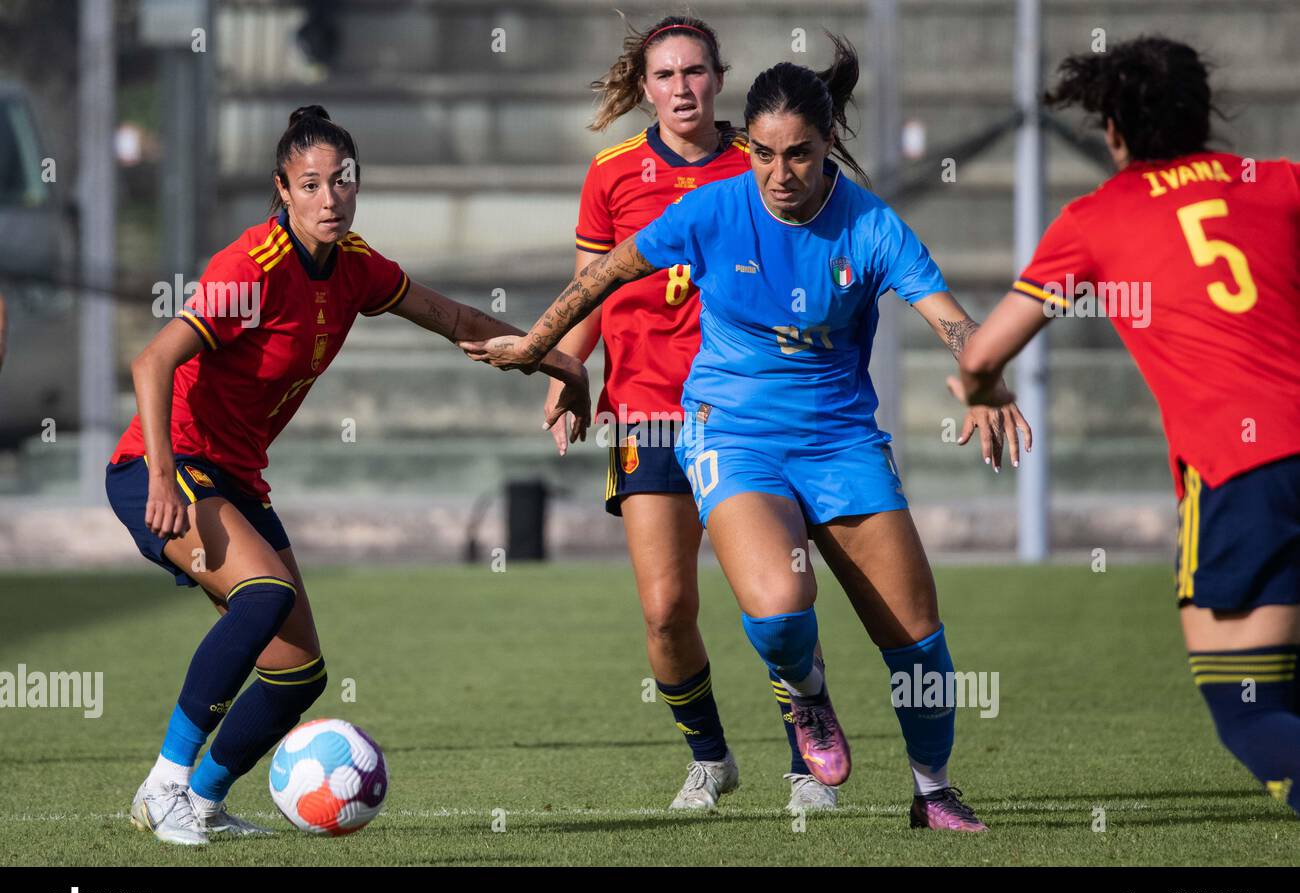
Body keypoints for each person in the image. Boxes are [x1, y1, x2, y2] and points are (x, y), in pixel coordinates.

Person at [464, 38, 1030, 830]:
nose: (777, 174)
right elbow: (606, 271)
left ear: (828, 143)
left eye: (798, 155)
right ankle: (805, 700)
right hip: (729, 430)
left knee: (918, 641)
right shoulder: (712, 207)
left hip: (841, 441)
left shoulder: (870, 226)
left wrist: (985, 376)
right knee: (779, 607)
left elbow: (952, 319)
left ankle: (933, 791)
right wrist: (539, 345)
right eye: (762, 153)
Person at [107, 105, 590, 845]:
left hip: (235, 476)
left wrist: (559, 360)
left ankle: (201, 801)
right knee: (263, 593)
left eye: (343, 180)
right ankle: (163, 783)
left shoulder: (357, 266)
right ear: (283, 190)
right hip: (163, 463)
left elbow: (457, 319)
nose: (330, 196)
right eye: (311, 184)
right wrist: (164, 478)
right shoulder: (251, 268)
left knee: (299, 673)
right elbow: (154, 359)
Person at [950, 36, 1300, 816]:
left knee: (1249, 708)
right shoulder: (1279, 183)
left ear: (1113, 131)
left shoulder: (1097, 218)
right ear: (1206, 113)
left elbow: (982, 352)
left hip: (1242, 477)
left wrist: (982, 388)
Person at [543, 14, 833, 811]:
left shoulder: (763, 163)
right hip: (646, 410)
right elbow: (590, 286)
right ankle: (709, 758)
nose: (682, 88)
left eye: (696, 72)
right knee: (667, 609)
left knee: (774, 599)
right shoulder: (611, 173)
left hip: (748, 411)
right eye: (666, 75)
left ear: (719, 77)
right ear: (645, 86)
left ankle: (807, 765)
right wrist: (567, 369)